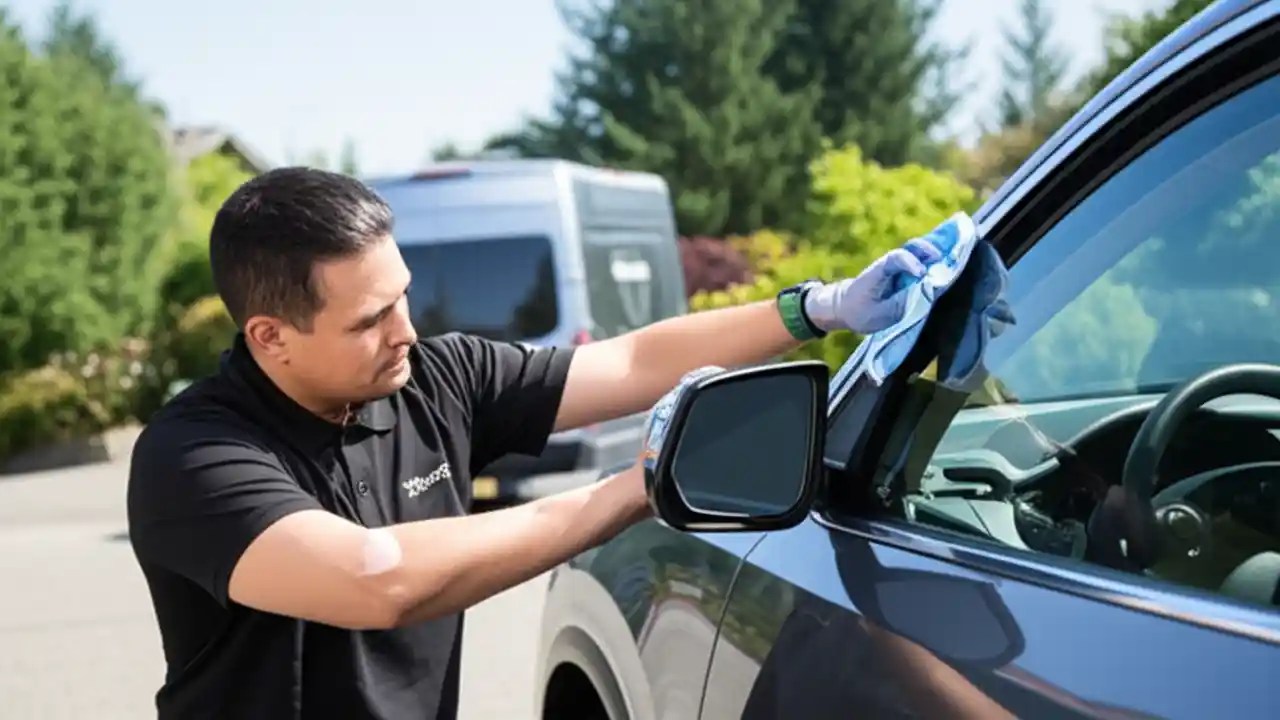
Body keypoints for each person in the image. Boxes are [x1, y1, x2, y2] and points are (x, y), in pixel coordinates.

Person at [125, 166, 943, 720]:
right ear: (271, 337)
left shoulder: (435, 379)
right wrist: (633, 490)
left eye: (402, 296)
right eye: (372, 319)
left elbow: (629, 362)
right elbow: (377, 581)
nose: (407, 331)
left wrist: (816, 310)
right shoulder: (194, 457)